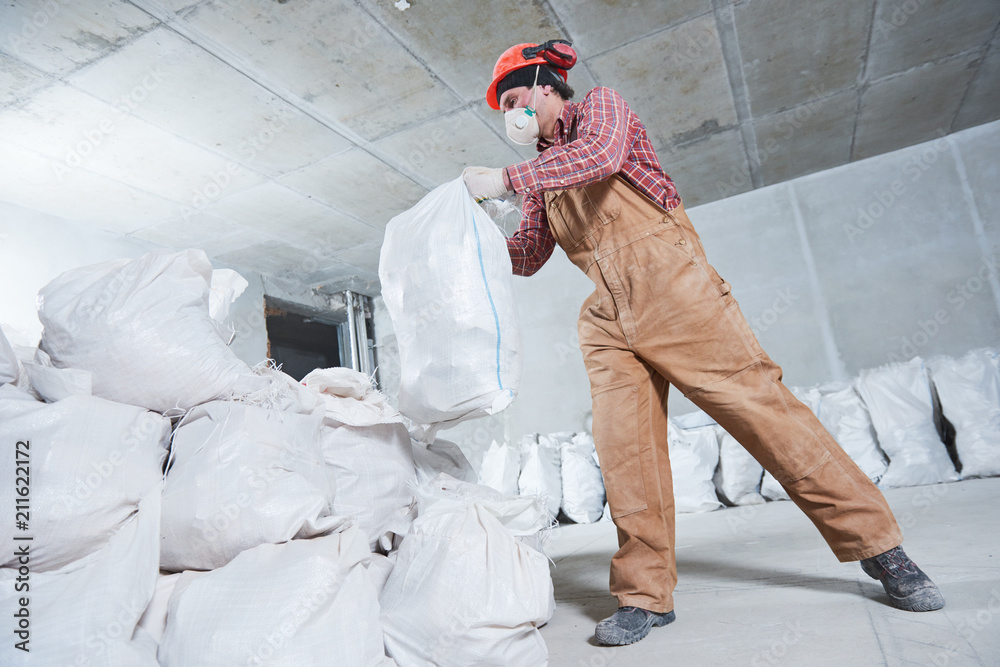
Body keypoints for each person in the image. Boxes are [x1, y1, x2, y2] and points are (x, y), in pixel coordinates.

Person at [462, 40, 945, 647]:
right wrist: (474, 237)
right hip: (609, 320)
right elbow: (529, 257)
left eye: (516, 98)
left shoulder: (601, 113)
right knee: (625, 454)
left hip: (678, 294)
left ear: (548, 84)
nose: (511, 113)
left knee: (766, 416)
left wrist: (506, 177)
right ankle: (645, 595)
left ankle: (882, 550)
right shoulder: (537, 180)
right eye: (502, 106)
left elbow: (600, 156)